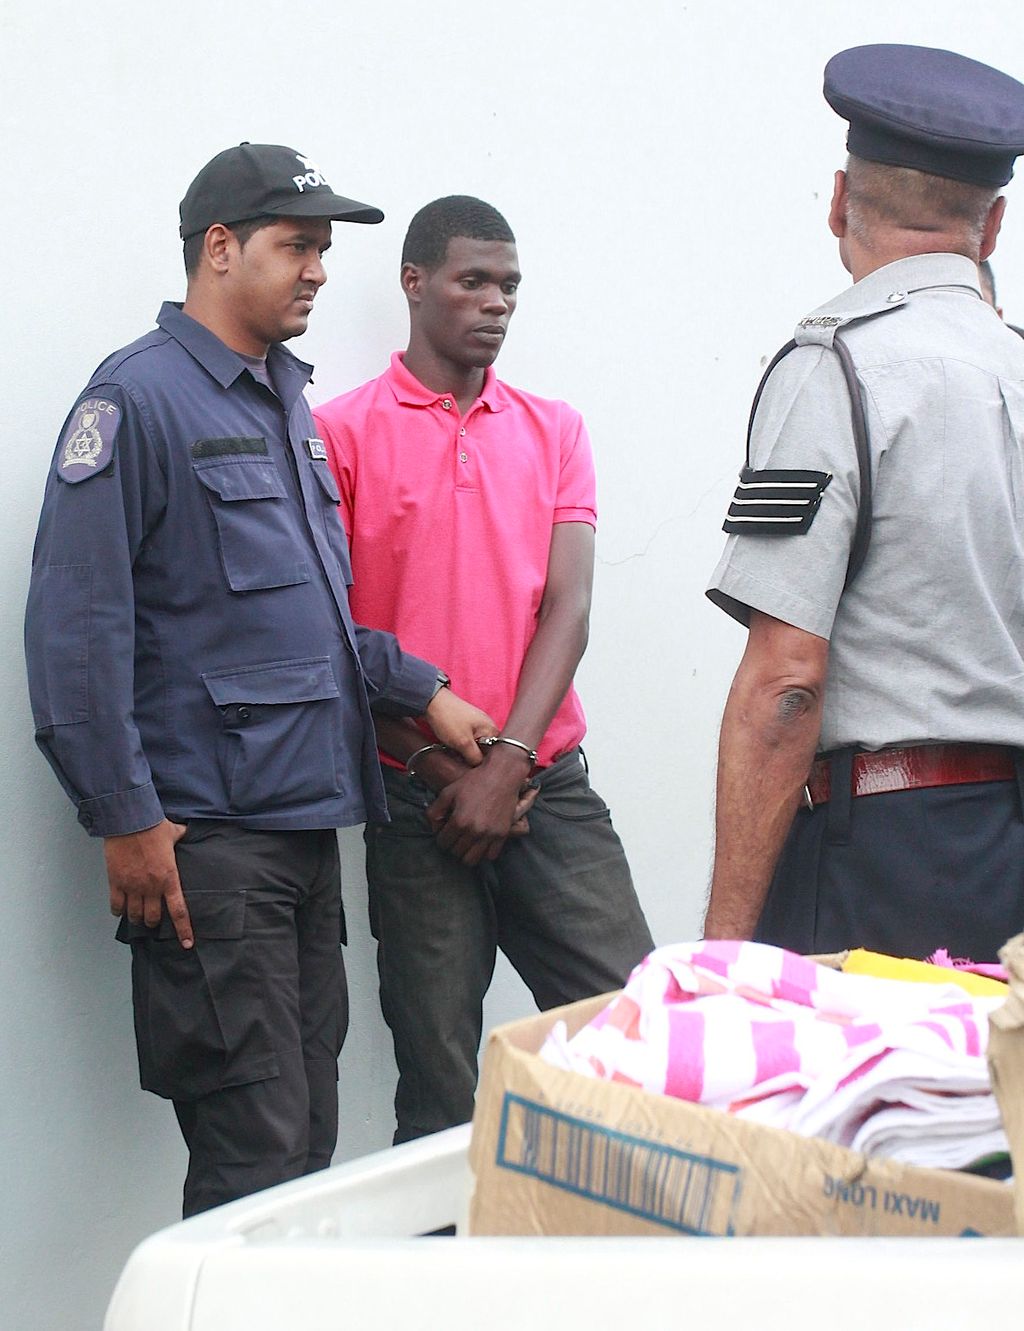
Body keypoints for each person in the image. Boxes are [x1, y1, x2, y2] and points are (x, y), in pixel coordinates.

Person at [24, 144, 495, 1216]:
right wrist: (124, 816)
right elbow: (74, 631)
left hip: (300, 833)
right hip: (207, 846)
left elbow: (305, 623)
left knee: (306, 1140)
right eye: (297, 245)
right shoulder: (137, 401)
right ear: (220, 249)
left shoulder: (283, 404)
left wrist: (421, 689)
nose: (319, 270)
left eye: (324, 249)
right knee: (258, 1152)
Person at [313, 196, 654, 1142]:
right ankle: (450, 1245)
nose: (496, 302)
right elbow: (329, 634)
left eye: (509, 285)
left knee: (638, 1041)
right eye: (473, 281)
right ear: (414, 283)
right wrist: (435, 764)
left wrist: (507, 764)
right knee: (437, 1088)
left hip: (546, 786)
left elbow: (569, 608)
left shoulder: (555, 428)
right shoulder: (337, 434)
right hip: (414, 796)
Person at [704, 45, 1024, 962]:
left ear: (840, 201)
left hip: (876, 860)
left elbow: (786, 682)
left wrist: (723, 957)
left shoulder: (835, 367)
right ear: (992, 227)